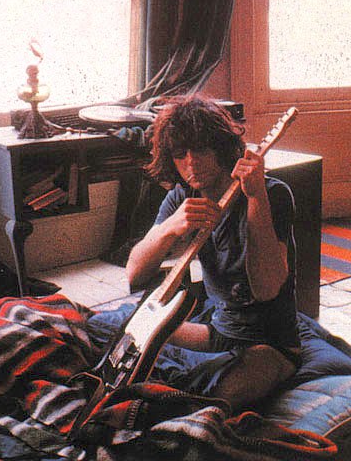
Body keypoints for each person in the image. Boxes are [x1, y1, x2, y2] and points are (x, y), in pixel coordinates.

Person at [126, 94, 300, 411]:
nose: (191, 162)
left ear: (220, 147)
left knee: (222, 395)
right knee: (127, 330)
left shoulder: (273, 193)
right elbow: (134, 273)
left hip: (269, 344)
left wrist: (256, 198)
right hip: (217, 331)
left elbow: (266, 289)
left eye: (201, 149)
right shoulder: (182, 196)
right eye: (180, 154)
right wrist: (169, 228)